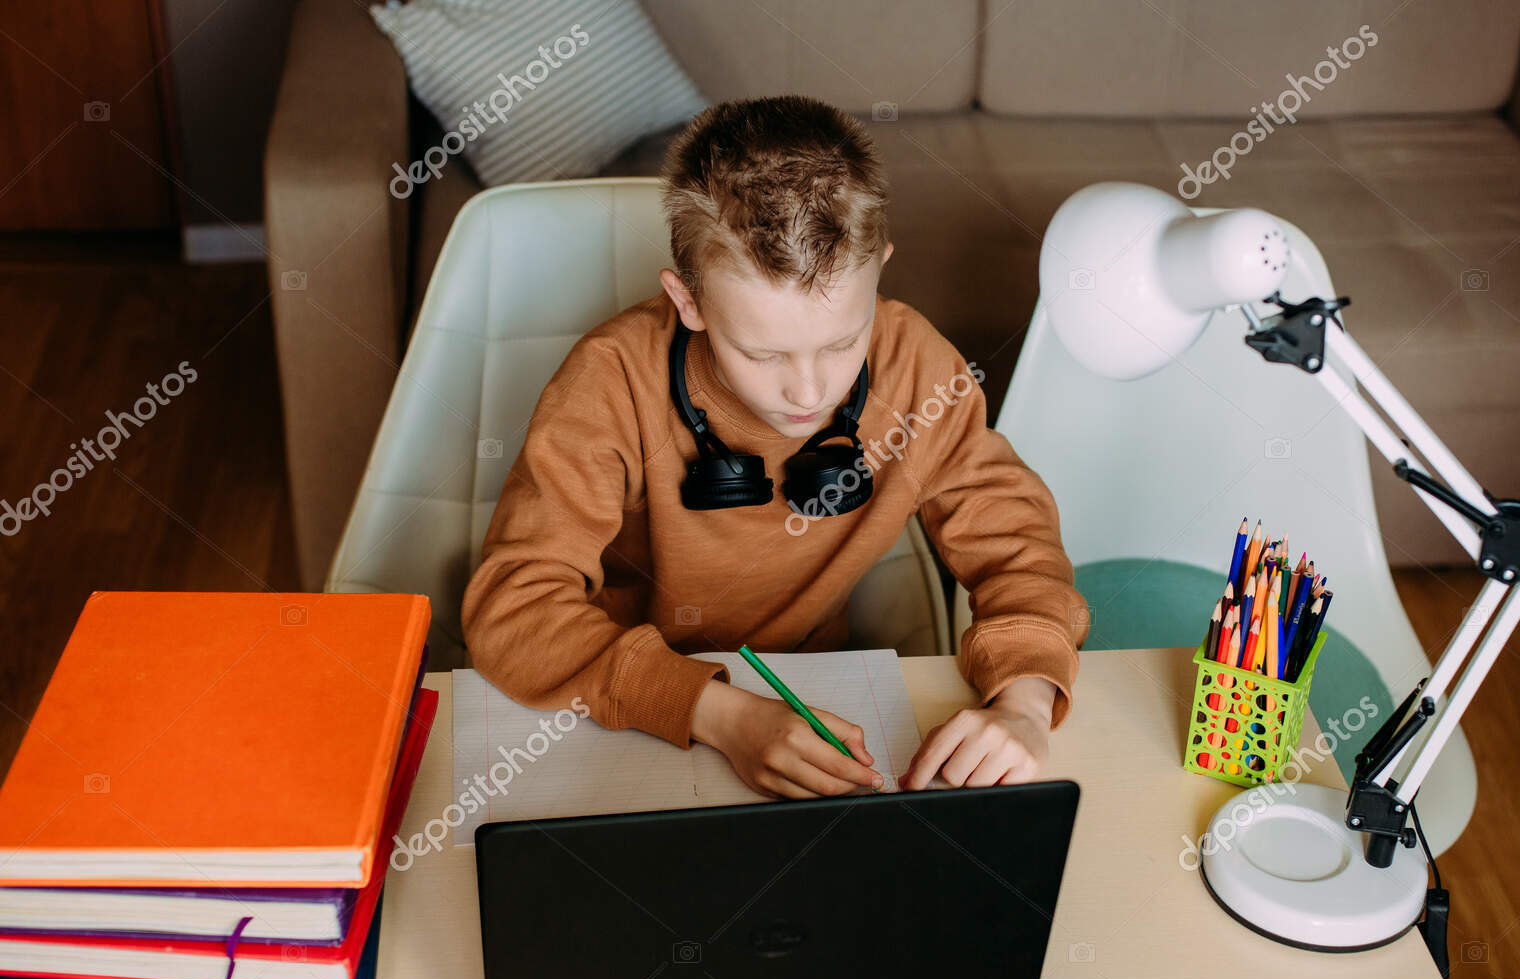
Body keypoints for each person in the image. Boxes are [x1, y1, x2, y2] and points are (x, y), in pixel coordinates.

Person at [462, 95, 1089, 799]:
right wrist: (720, 713)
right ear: (689, 302)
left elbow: (1015, 540)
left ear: (879, 272)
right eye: (763, 354)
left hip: (811, 699)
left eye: (844, 341)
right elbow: (512, 611)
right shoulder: (609, 382)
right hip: (618, 710)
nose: (808, 391)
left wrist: (1025, 701)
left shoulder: (918, 369)